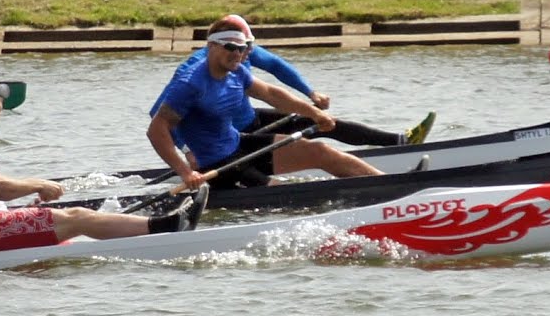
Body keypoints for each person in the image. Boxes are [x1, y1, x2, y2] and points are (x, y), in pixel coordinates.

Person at [0, 74, 208, 253]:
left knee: (66, 241)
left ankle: (150, 233)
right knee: (77, 218)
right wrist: (37, 184)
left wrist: (22, 207)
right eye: (2, 105)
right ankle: (167, 228)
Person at [147, 18, 399, 190]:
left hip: (239, 145)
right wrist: (184, 171)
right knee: (288, 194)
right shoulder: (190, 83)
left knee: (321, 151)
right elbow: (157, 129)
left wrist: (313, 111)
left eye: (243, 48)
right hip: (217, 165)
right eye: (230, 47)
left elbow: (271, 93)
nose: (238, 53)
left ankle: (392, 186)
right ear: (211, 46)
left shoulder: (236, 71)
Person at [152, 14, 435, 150]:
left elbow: (276, 69)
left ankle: (399, 142)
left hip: (249, 120)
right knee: (311, 140)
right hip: (227, 137)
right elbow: (159, 114)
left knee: (324, 122)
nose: (247, 52)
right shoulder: (193, 70)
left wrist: (310, 94)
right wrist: (188, 151)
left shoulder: (241, 52)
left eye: (248, 46)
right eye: (241, 46)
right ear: (220, 44)